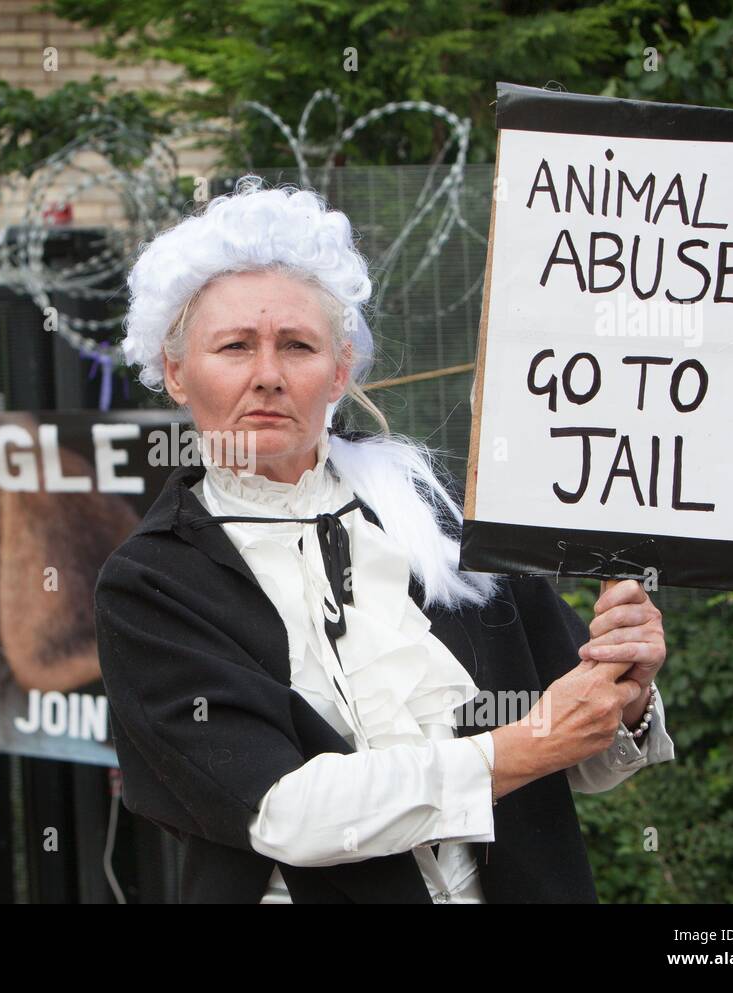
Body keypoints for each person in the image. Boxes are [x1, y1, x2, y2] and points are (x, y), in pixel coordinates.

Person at [93, 175, 675, 903]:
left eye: (298, 345)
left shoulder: (433, 513)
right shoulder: (149, 582)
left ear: (339, 370)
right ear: (175, 371)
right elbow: (288, 811)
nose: (268, 375)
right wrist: (520, 747)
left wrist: (626, 685)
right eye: (235, 346)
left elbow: (582, 751)